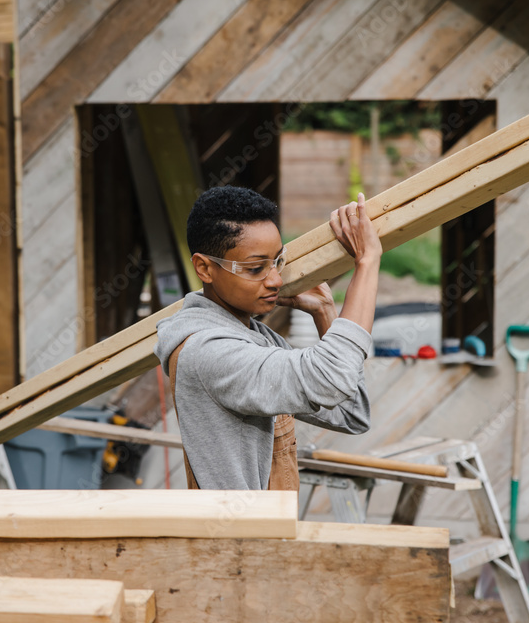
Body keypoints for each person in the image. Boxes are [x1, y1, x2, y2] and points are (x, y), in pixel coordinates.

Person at [154, 185, 382, 490]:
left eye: (277, 261)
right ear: (204, 268)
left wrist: (326, 312)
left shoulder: (254, 337)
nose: (275, 279)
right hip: (240, 535)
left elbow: (350, 413)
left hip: (268, 529)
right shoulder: (210, 352)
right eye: (255, 268)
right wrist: (367, 262)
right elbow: (331, 377)